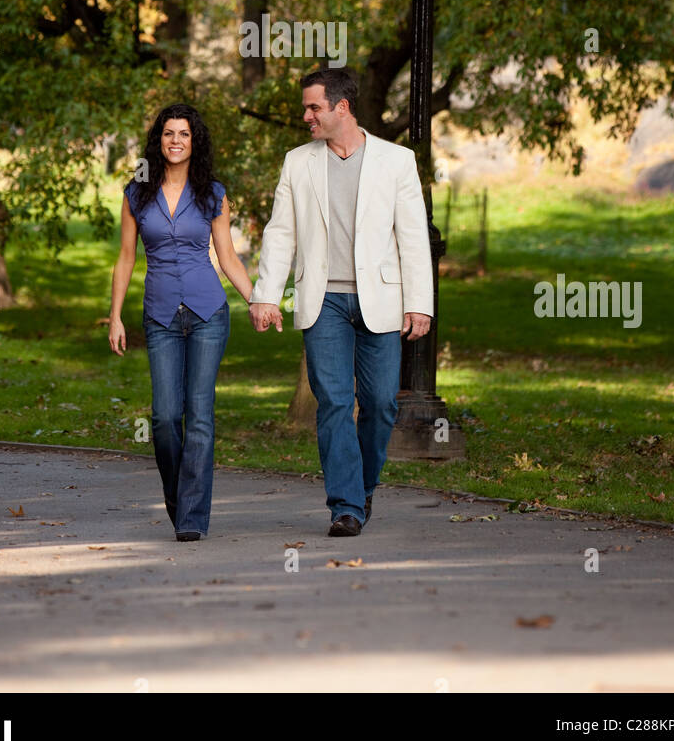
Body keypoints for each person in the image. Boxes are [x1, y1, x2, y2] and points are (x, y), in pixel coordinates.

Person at [249, 68, 433, 536]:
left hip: (381, 301)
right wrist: (266, 295)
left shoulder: (396, 161)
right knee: (334, 401)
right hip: (323, 301)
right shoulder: (298, 162)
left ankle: (363, 486)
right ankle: (346, 506)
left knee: (381, 403)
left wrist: (420, 303)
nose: (306, 115)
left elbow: (413, 237)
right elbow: (280, 232)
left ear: (341, 107)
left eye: (314, 107)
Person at [107, 104, 254, 542]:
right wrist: (114, 316)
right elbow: (126, 258)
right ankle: (179, 499)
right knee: (166, 418)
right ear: (159, 141)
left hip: (209, 313)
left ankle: (191, 520)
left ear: (195, 142)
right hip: (160, 316)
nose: (176, 141)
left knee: (200, 417)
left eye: (184, 134)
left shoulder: (212, 193)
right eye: (169, 133)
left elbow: (227, 257)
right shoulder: (137, 192)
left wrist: (258, 301)